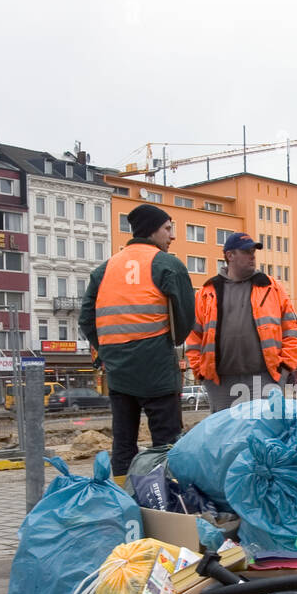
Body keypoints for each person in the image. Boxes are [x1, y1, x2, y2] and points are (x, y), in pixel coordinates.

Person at [80, 204, 195, 477]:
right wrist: (175, 338)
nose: (172, 236)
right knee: (166, 442)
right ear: (152, 230)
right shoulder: (167, 264)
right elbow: (185, 316)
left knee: (123, 441)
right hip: (156, 366)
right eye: (167, 229)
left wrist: (107, 350)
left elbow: (86, 320)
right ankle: (166, 500)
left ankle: (123, 499)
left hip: (119, 370)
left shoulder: (104, 269)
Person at [186, 232, 297, 412]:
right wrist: (201, 373)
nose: (252, 255)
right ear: (230, 255)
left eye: (253, 251)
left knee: (263, 432)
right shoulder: (207, 292)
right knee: (226, 434)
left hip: (264, 378)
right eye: (246, 251)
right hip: (220, 383)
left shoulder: (271, 288)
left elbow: (292, 331)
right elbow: (194, 337)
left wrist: (284, 369)